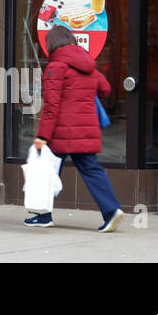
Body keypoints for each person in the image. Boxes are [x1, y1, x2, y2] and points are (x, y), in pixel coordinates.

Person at [25, 27, 124, 232]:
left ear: (52, 44)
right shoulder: (89, 65)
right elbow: (105, 89)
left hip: (61, 132)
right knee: (91, 169)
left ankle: (43, 215)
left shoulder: (56, 66)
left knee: (48, 170)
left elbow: (51, 106)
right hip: (85, 131)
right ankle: (112, 210)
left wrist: (42, 135)